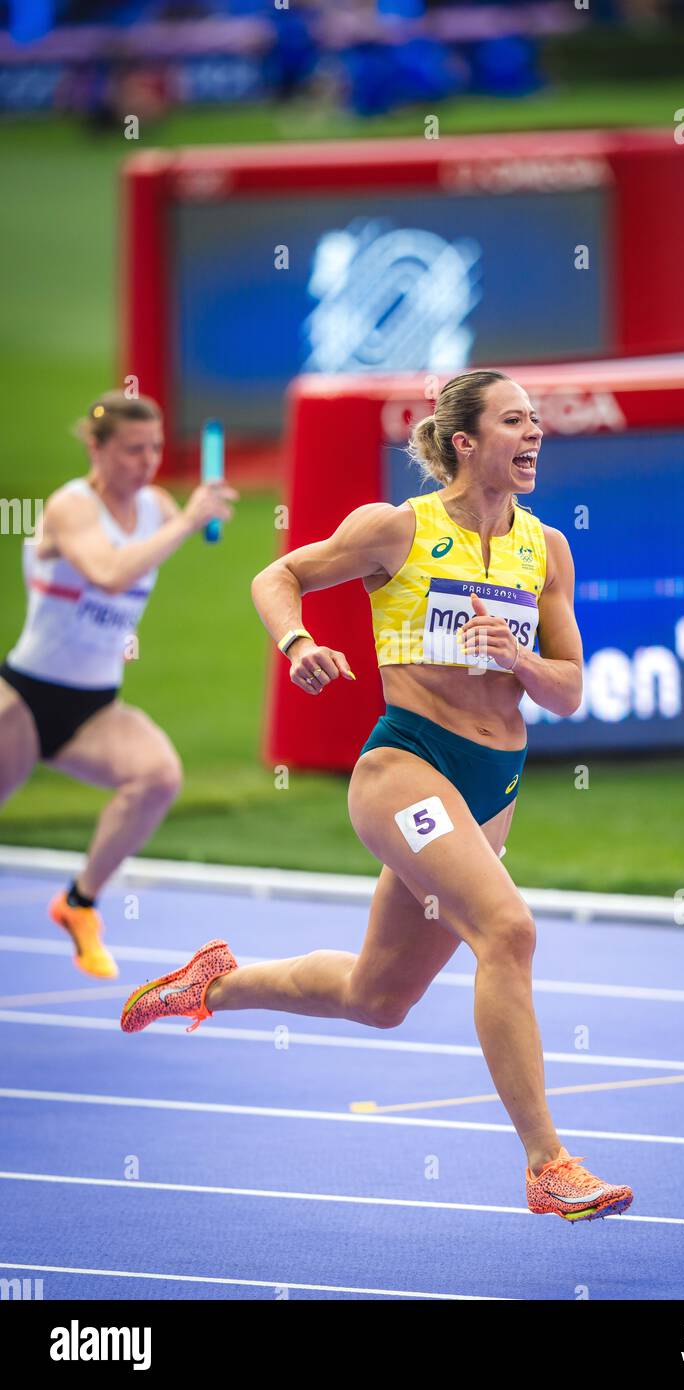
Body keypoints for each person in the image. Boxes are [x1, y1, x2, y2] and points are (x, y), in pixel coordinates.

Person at [120, 370, 634, 1223]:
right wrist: (297, 643)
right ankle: (549, 1165)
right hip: (405, 767)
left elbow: (569, 690)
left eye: (537, 420)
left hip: (494, 783)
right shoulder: (397, 528)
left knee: (378, 998)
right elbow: (275, 576)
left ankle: (214, 983)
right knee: (506, 930)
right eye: (515, 421)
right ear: (465, 442)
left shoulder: (545, 548)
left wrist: (518, 659)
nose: (535, 433)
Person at [0, 390, 236, 978]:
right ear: (96, 447)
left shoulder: (155, 507)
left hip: (95, 707)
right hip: (25, 696)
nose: (147, 461)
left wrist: (180, 518)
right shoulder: (70, 507)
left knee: (157, 778)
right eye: (132, 450)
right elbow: (107, 574)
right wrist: (189, 519)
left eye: (155, 448)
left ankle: (78, 903)